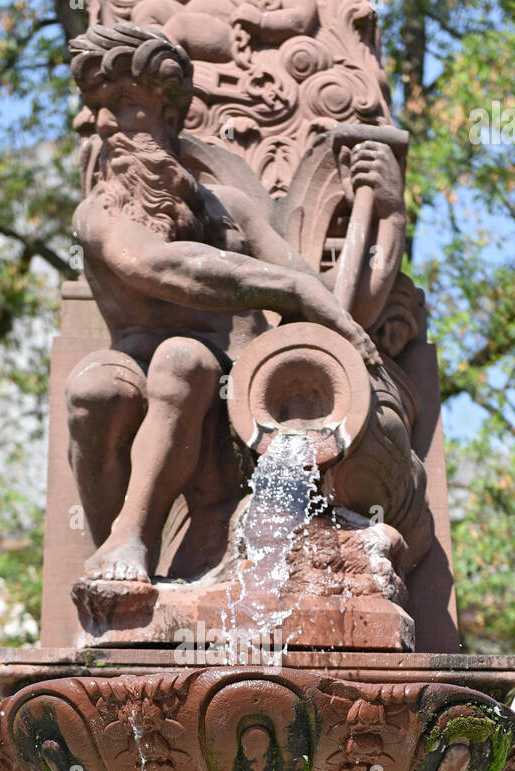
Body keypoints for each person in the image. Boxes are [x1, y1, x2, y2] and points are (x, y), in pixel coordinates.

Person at [66, 23, 413, 587]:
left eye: (124, 105)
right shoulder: (100, 212)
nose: (105, 123)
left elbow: (330, 304)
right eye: (98, 107)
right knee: (95, 385)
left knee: (185, 359)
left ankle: (135, 538)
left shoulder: (229, 210)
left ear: (168, 114)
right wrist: (286, 288)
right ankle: (118, 548)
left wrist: (389, 219)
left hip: (242, 421)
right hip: (130, 409)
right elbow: (158, 266)